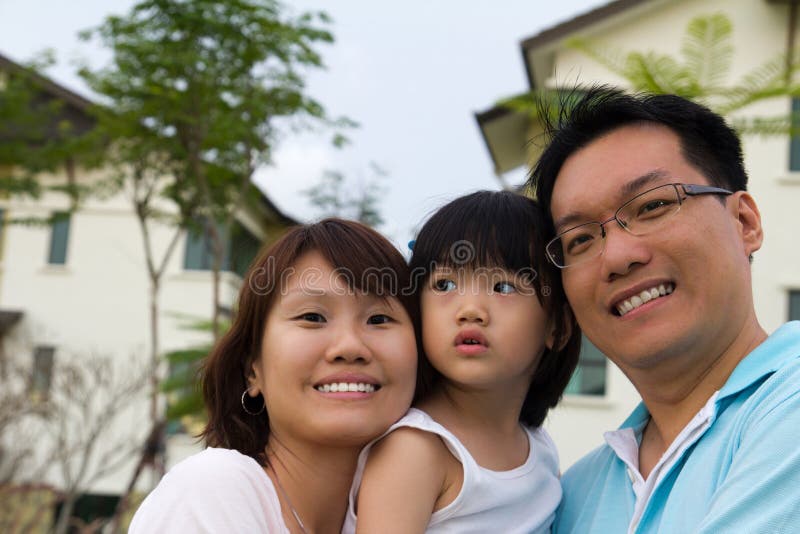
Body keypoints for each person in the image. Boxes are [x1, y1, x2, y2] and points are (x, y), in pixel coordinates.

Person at [528, 87, 800, 533]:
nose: (617, 257)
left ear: (744, 223)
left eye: (653, 205)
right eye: (579, 239)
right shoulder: (571, 494)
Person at [129, 218, 419, 533]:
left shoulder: (433, 515)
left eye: (379, 318)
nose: (350, 346)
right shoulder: (213, 491)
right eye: (312, 317)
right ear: (252, 370)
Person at [343, 191, 581, 533]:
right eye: (445, 283)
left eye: (503, 286)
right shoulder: (416, 449)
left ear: (557, 328)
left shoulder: (539, 448)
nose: (470, 309)